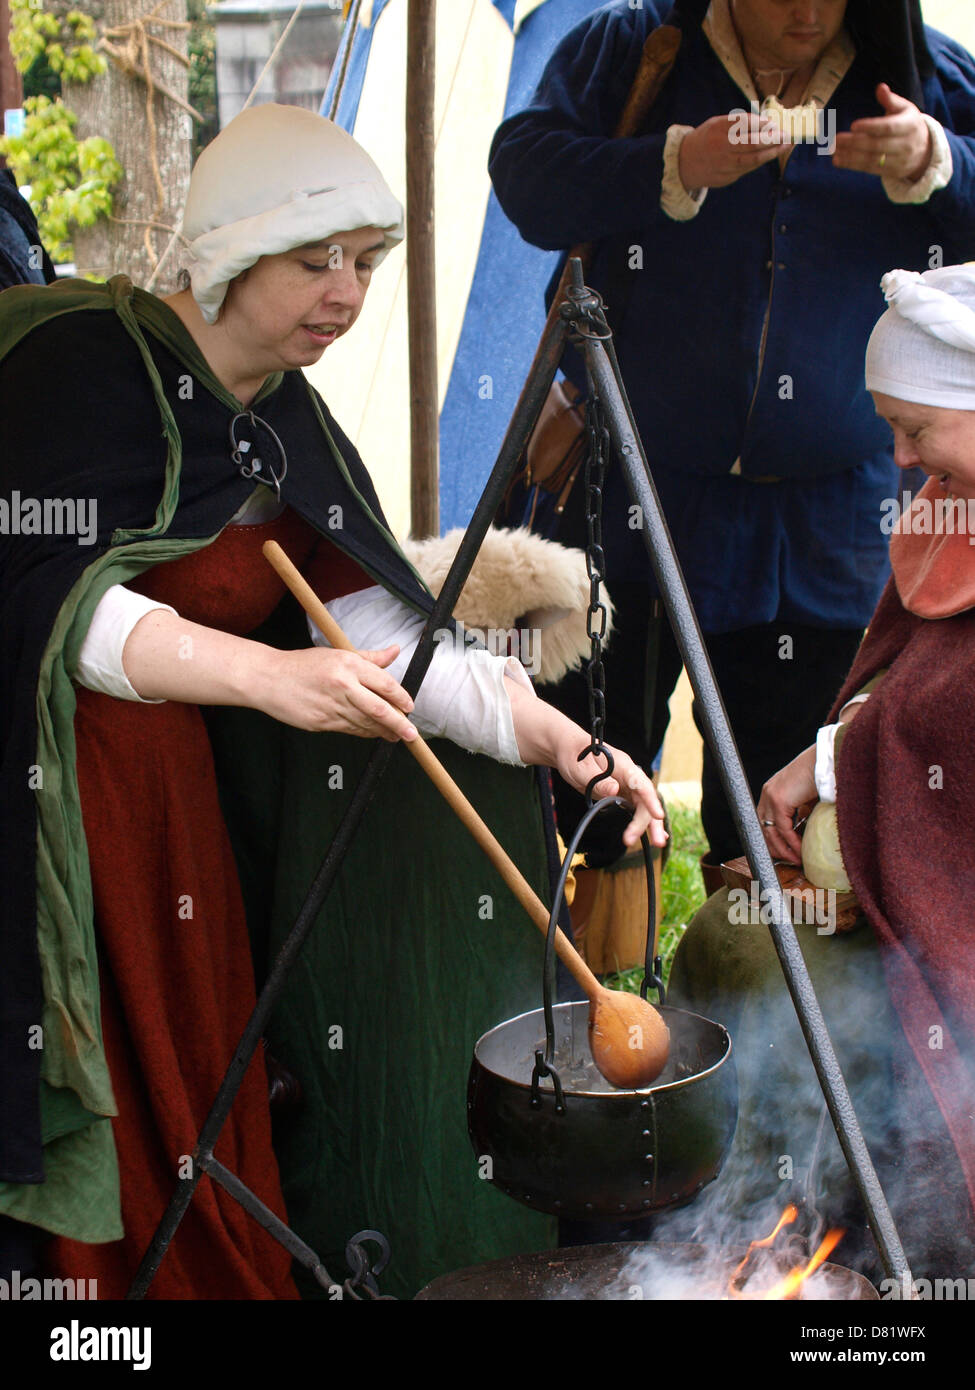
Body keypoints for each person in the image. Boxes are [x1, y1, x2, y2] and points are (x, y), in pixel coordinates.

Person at [0, 103, 668, 1300]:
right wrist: (270, 678)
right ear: (228, 250)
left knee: (195, 1068)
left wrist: (569, 744)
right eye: (318, 260)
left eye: (366, 263)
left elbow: (371, 624)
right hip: (54, 813)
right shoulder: (81, 370)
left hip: (175, 819)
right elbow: (47, 611)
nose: (348, 292)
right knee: (99, 1078)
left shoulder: (283, 418)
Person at [488, 0, 975, 884]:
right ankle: (595, 997)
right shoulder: (637, 49)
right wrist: (672, 162)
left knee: (782, 810)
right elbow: (524, 177)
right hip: (627, 498)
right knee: (586, 774)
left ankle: (748, 1001)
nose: (804, 8)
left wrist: (940, 165)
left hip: (825, 527)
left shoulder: (929, 77)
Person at [667, 262, 975, 1283]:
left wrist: (851, 781)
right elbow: (899, 686)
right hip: (887, 898)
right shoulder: (948, 512)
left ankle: (906, 1250)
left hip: (951, 939)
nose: (897, 453)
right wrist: (824, 755)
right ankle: (756, 1230)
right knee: (732, 939)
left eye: (916, 427)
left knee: (779, 966)